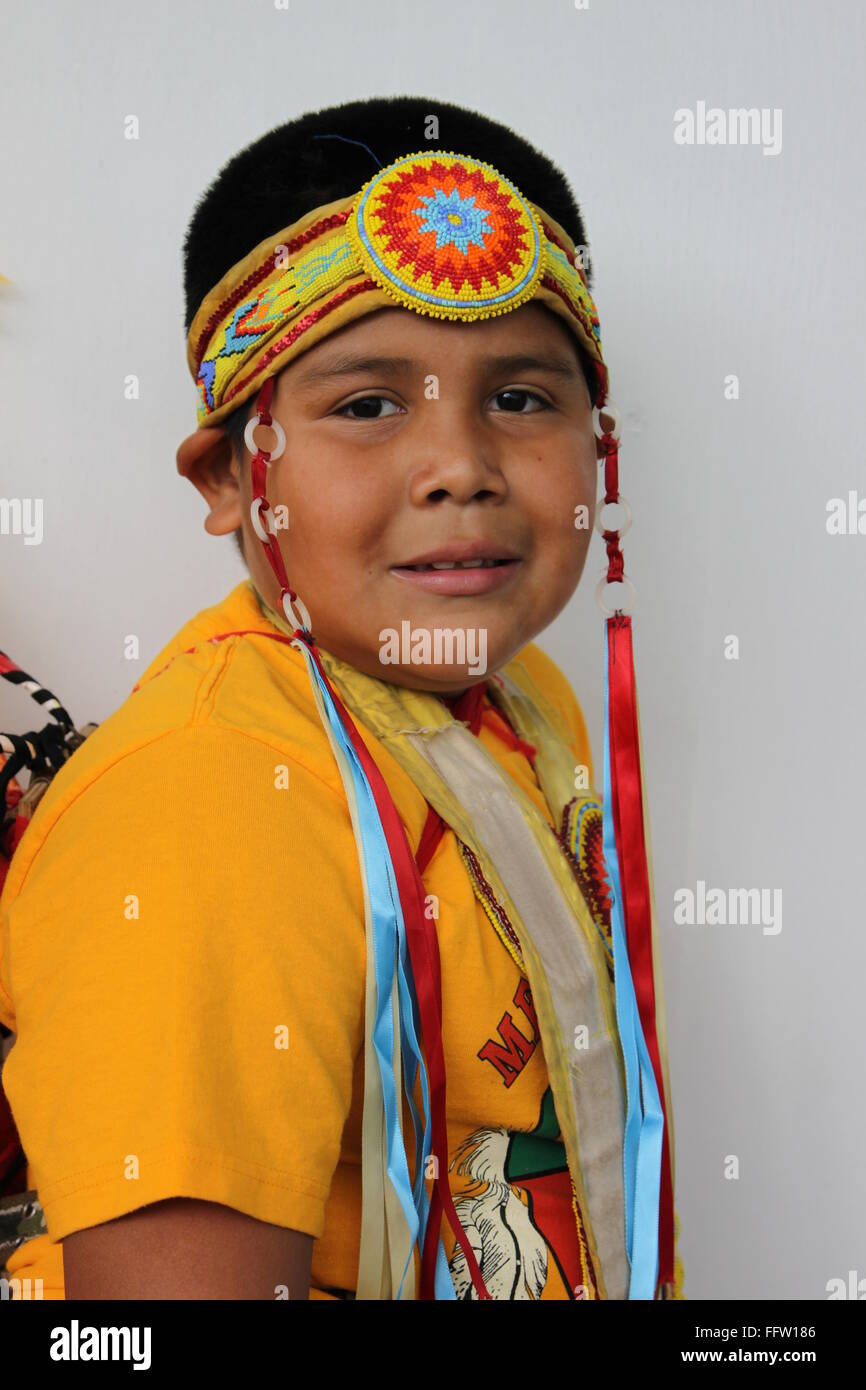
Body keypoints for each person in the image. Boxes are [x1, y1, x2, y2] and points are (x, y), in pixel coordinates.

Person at [0, 94, 684, 1300]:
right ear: (226, 474)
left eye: (521, 397)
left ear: (600, 441)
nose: (462, 467)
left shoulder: (525, 701)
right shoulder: (210, 798)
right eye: (367, 404)